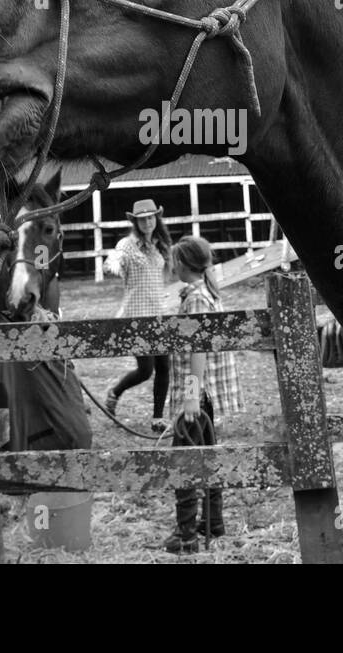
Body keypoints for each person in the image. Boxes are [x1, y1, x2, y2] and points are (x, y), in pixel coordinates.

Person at [164, 235, 241, 553]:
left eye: (173, 261)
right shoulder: (205, 292)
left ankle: (186, 536)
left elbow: (198, 350)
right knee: (207, 457)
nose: (171, 266)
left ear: (182, 264)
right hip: (209, 392)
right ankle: (213, 523)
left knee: (183, 462)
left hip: (199, 392)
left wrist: (191, 397)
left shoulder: (196, 299)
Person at [103, 198, 173, 433]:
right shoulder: (127, 244)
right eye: (142, 219)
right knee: (146, 370)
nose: (147, 222)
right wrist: (112, 266)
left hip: (158, 315)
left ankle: (157, 418)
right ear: (135, 221)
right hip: (136, 317)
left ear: (156, 218)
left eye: (151, 217)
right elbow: (114, 259)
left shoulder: (160, 244)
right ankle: (115, 392)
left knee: (164, 366)